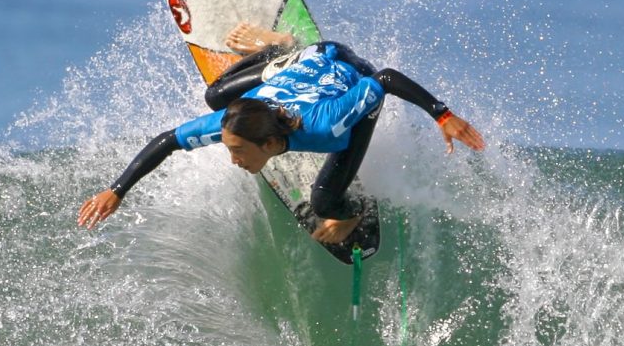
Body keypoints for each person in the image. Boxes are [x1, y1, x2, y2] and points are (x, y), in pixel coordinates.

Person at [77, 24, 485, 244]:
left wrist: (441, 115)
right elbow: (168, 140)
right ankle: (281, 46)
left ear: (271, 145)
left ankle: (353, 213)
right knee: (215, 95)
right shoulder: (232, 123)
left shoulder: (327, 125)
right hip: (302, 62)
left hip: (343, 66)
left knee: (324, 200)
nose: (231, 157)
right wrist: (117, 190)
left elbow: (386, 78)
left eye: (238, 152)